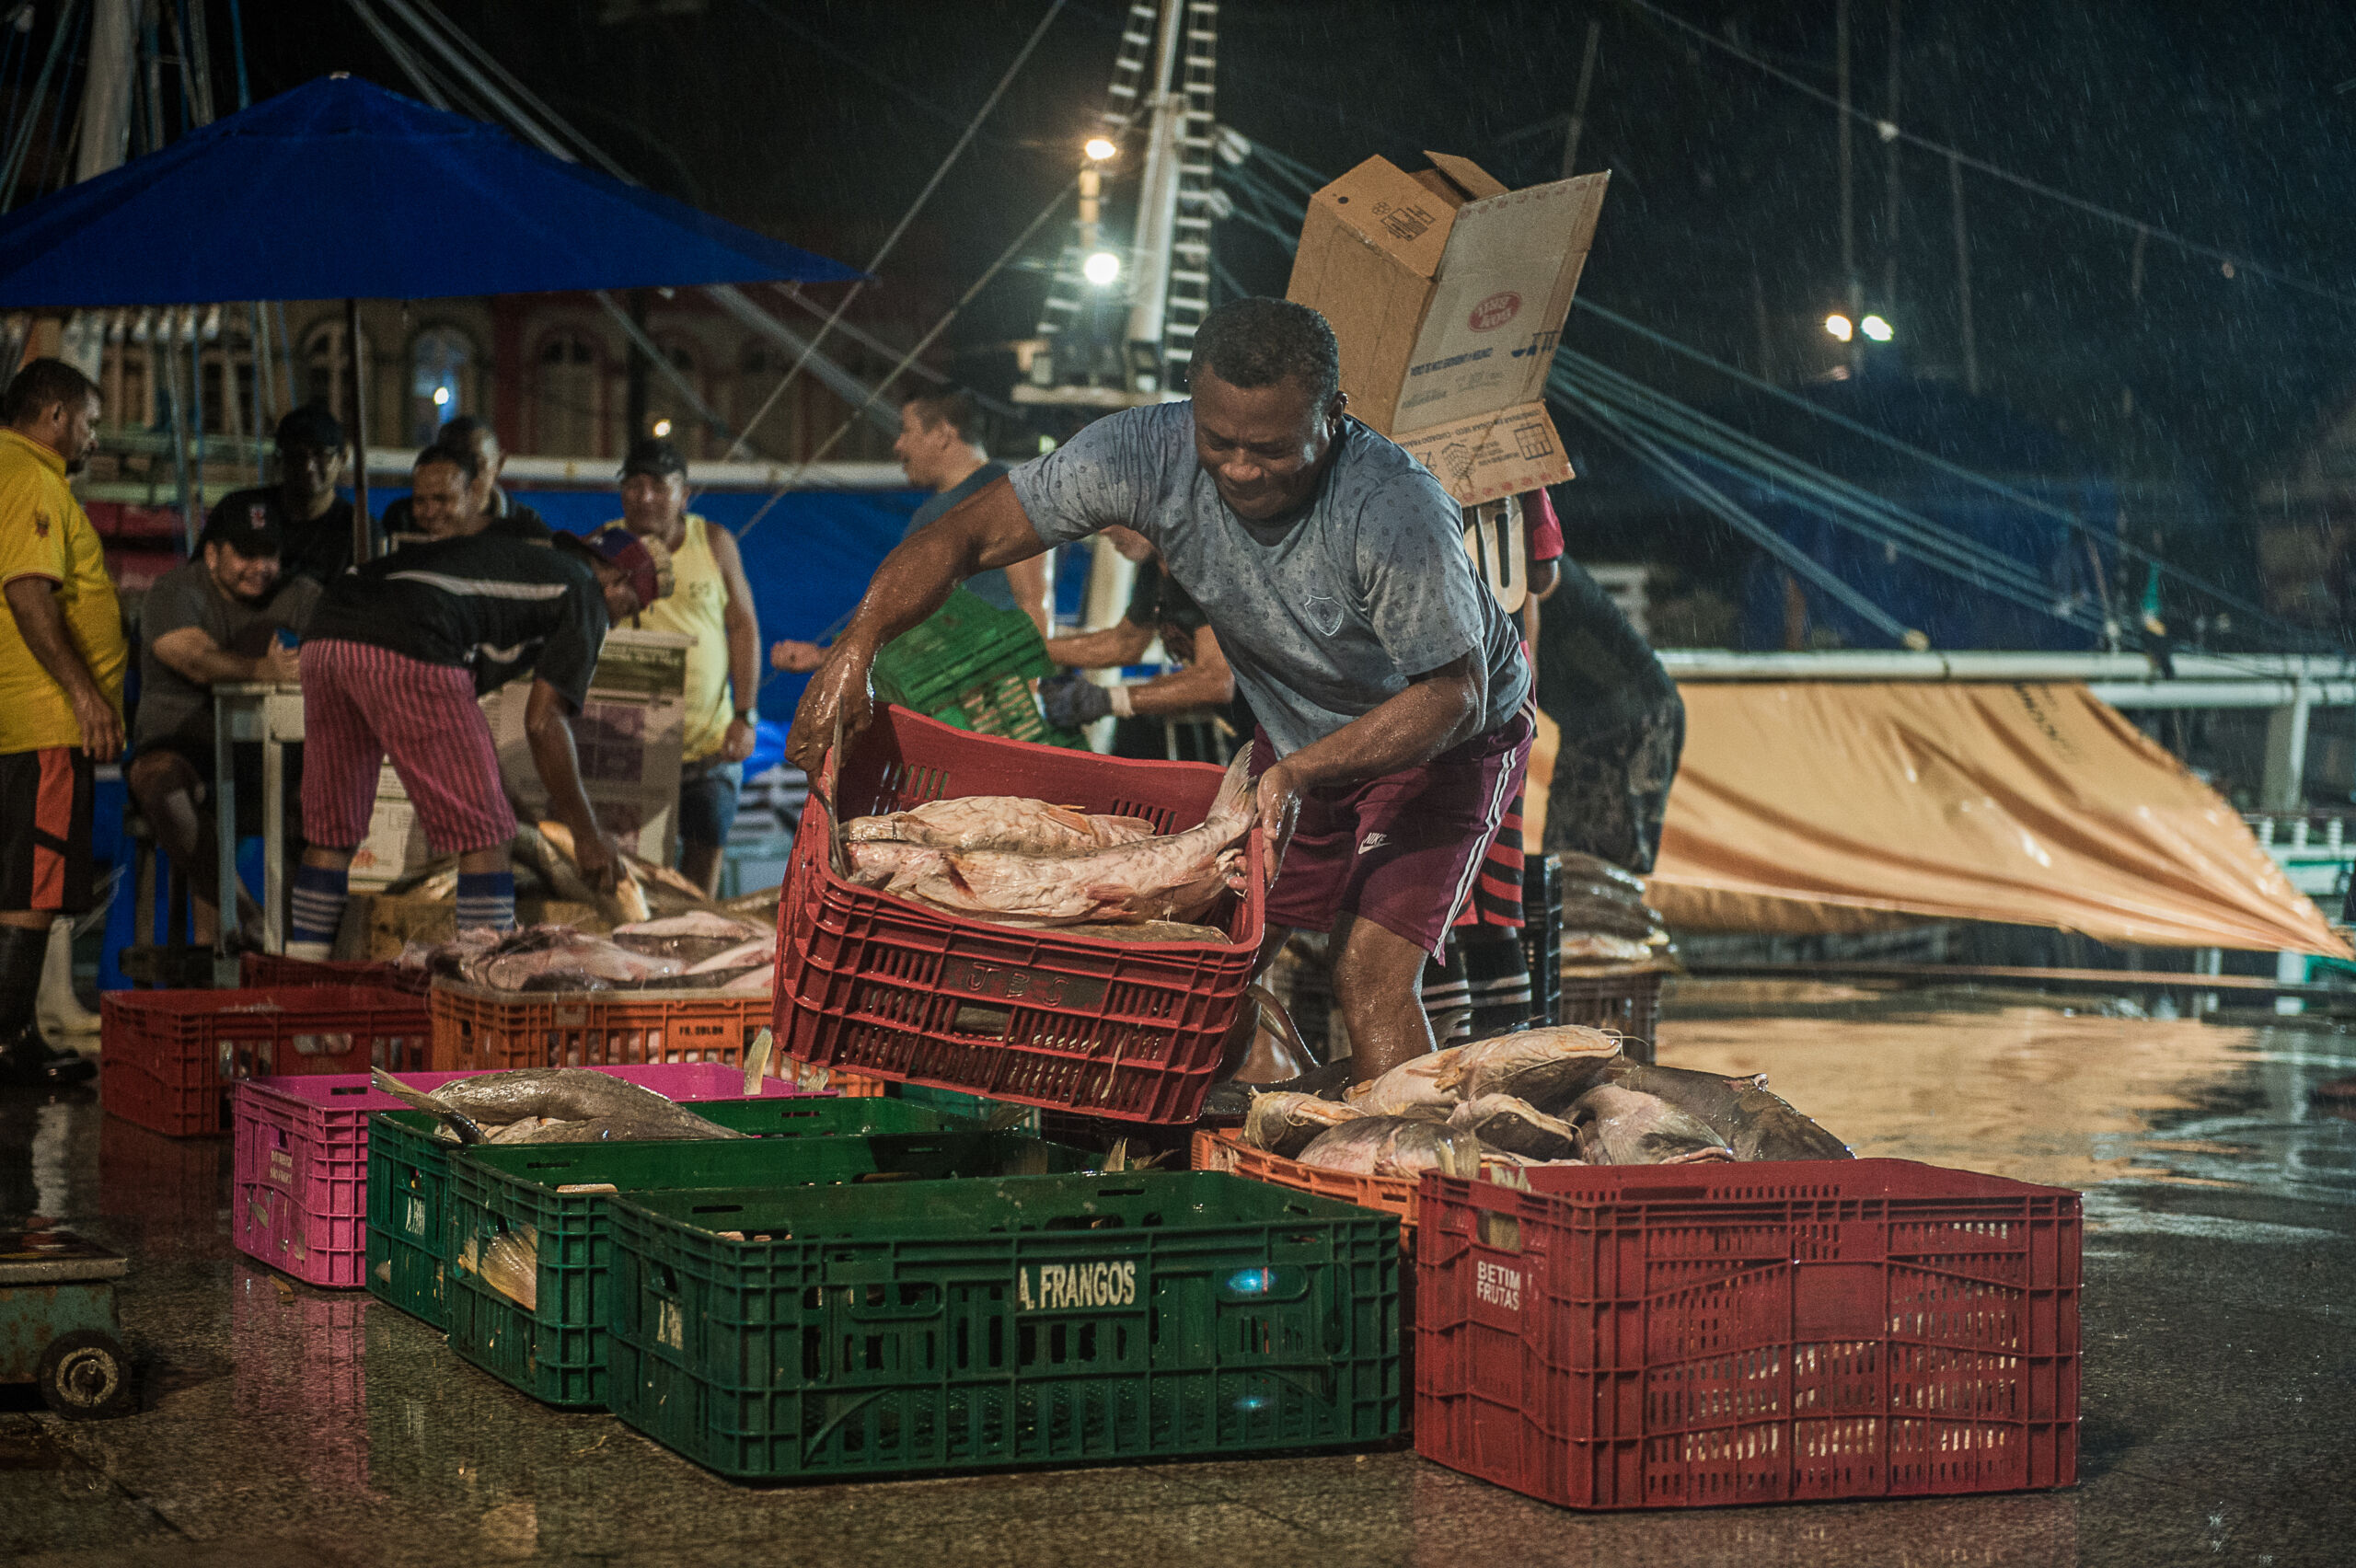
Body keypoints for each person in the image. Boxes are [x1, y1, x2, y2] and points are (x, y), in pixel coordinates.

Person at [787, 296, 1533, 1091]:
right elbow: (964, 534)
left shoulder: (1393, 507)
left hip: (1441, 740)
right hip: (1296, 733)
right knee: (1212, 959)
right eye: (1220, 442)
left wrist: (1301, 772)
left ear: (1334, 415)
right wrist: (855, 649)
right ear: (1191, 406)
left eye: (1272, 448)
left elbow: (1454, 693)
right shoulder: (1143, 451)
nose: (1241, 469)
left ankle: (1406, 1165)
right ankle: (1217, 1133)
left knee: (1367, 973)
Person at [282, 526, 674, 960]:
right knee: (485, 836)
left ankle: (304, 970)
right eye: (629, 608)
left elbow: (467, 730)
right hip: (411, 641)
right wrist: (588, 836)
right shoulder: (584, 592)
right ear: (616, 580)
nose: (616, 623)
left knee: (332, 831)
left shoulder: (523, 561)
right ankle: (486, 974)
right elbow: (543, 723)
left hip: (325, 635)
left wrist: (515, 808)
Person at [0, 360, 126, 1088]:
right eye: (90, 422)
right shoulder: (33, 478)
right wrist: (85, 695)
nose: (93, 438)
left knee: (20, 880)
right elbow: (28, 592)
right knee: (34, 885)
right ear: (56, 416)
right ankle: (8, 1039)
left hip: (19, 718)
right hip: (42, 718)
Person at [125, 505, 315, 946]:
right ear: (212, 555)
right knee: (159, 783)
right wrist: (262, 669)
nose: (261, 567)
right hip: (185, 742)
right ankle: (246, 915)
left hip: (271, 752)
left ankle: (302, 944)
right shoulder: (176, 590)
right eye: (246, 555)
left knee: (320, 794)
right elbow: (192, 657)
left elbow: (339, 647)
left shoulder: (301, 593)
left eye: (270, 555)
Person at [770, 388, 1048, 674]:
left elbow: (1034, 600)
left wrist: (1031, 682)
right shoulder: (926, 517)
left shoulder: (1005, 489)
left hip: (1000, 684)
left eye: (906, 431)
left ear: (942, 434)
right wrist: (822, 656)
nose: (898, 445)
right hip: (951, 685)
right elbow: (903, 624)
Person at [604, 438, 761, 896]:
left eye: (658, 485)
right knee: (636, 876)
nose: (645, 496)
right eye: (633, 485)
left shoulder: (713, 541)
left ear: (684, 494)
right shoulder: (604, 546)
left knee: (702, 865)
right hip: (630, 747)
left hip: (708, 744)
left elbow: (743, 627)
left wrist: (745, 715)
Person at [1036, 525, 1236, 743]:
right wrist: (1031, 650)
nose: (1104, 530)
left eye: (1117, 514)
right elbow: (1125, 643)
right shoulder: (1154, 568)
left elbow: (1217, 680)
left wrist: (1109, 700)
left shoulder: (1203, 561)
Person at [205, 403, 374, 587]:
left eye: (320, 454)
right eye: (297, 455)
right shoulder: (242, 510)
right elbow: (200, 577)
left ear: (343, 458)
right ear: (280, 458)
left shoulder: (360, 529)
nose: (308, 467)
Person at [381, 416, 549, 547]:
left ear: (499, 463)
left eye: (477, 463)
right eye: (455, 462)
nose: (467, 473)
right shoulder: (404, 519)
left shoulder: (525, 524)